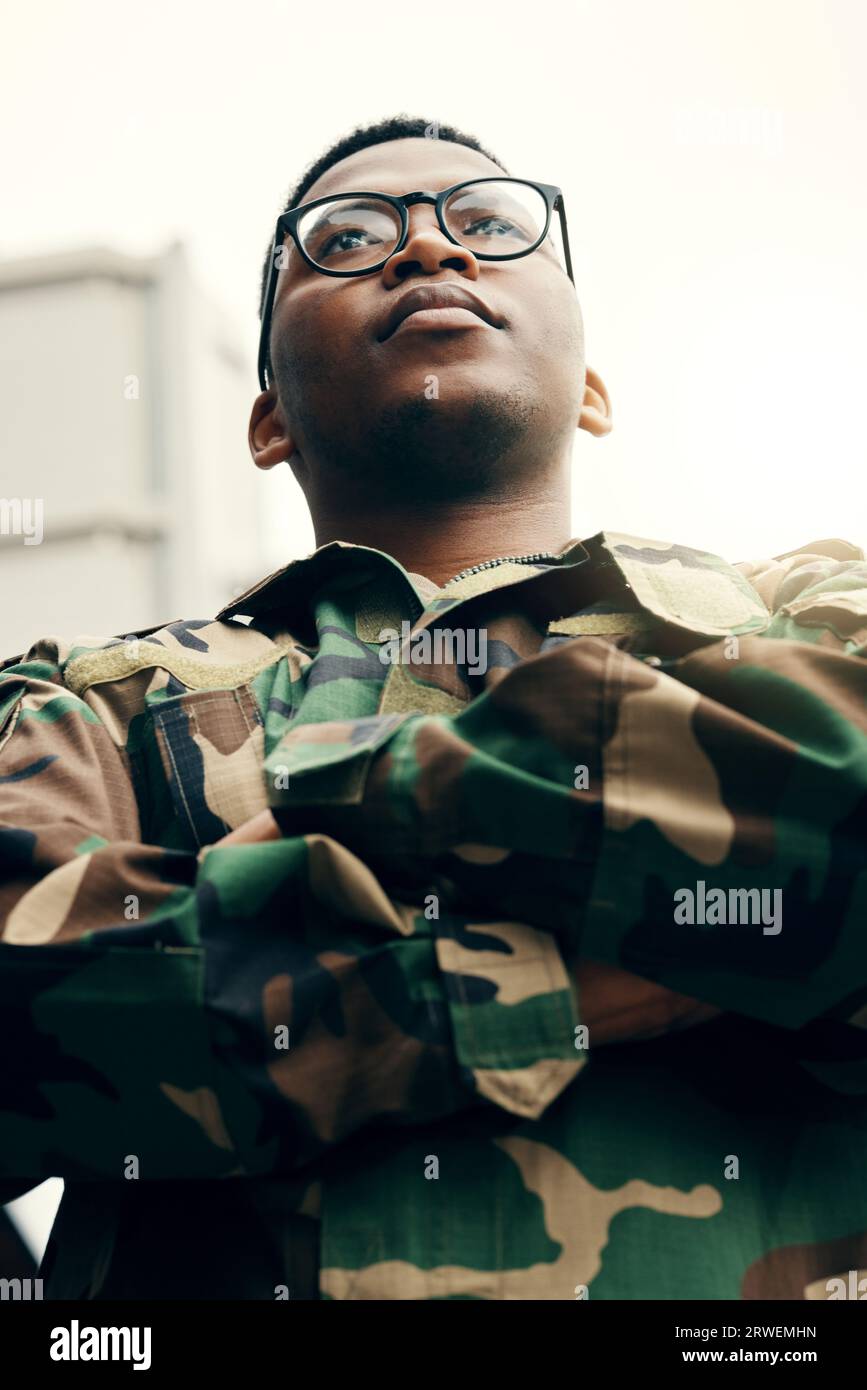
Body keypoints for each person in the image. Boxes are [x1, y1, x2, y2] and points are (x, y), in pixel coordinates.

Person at [1, 115, 866, 1301]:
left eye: (494, 224)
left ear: (595, 392)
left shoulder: (814, 607)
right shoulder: (89, 701)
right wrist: (532, 982)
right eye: (347, 237)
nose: (429, 249)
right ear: (267, 422)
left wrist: (370, 799)